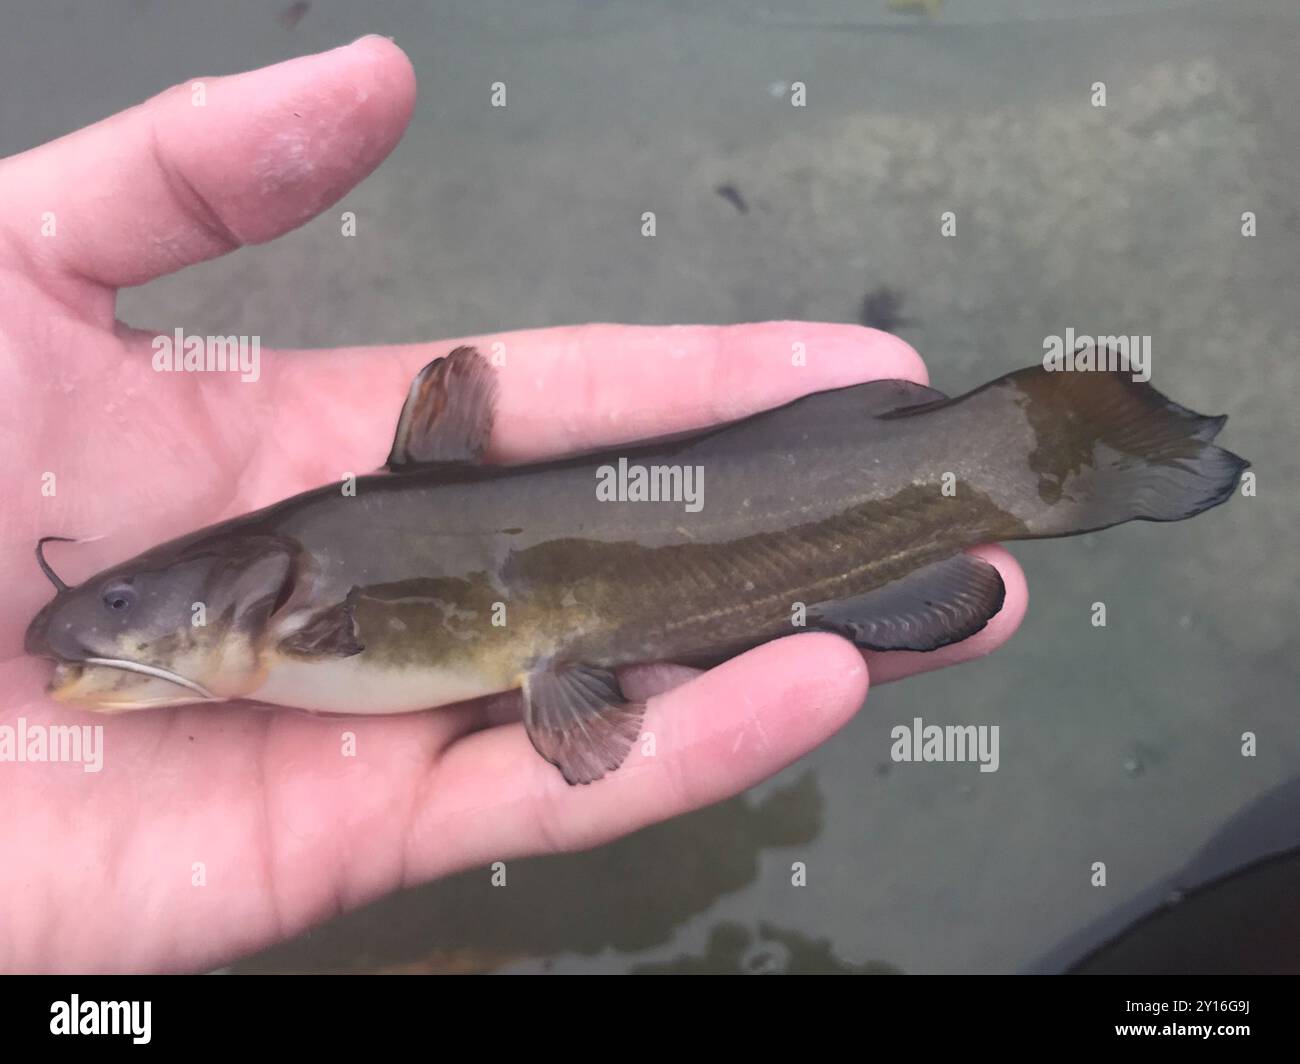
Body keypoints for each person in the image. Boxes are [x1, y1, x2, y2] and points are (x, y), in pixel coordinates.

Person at [0, 37, 1025, 972]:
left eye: (124, 606)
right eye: (121, 607)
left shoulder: (299, 607)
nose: (104, 624)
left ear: (257, 586)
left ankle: (1029, 461)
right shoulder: (282, 613)